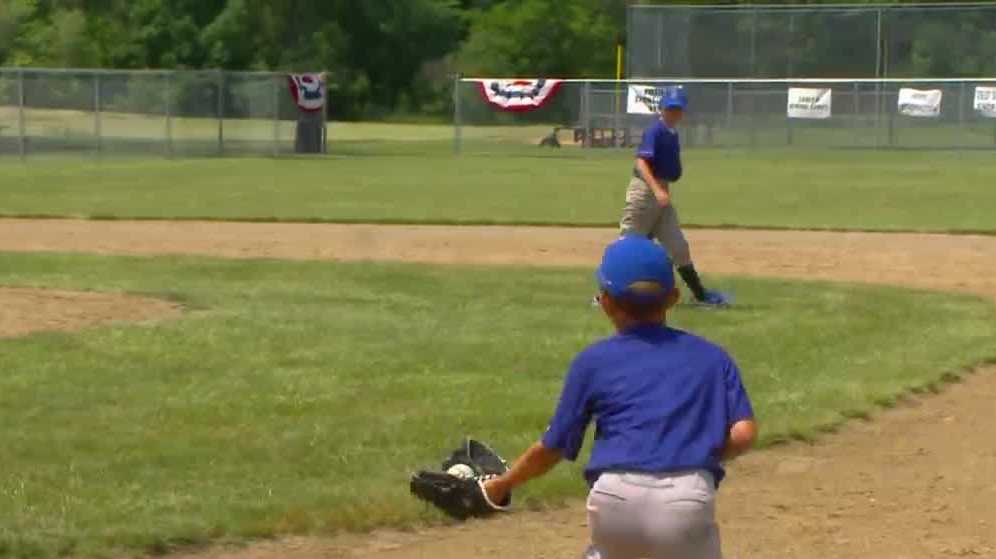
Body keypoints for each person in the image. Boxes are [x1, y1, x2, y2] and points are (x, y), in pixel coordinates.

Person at [484, 234, 758, 559]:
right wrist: (700, 452)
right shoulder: (712, 356)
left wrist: (500, 485)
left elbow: (552, 447)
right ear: (673, 298)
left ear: (605, 301)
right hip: (687, 498)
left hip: (615, 499)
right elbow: (744, 433)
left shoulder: (592, 361)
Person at [621, 85, 730, 307]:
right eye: (670, 108)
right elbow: (641, 162)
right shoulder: (656, 131)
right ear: (662, 108)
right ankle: (605, 296)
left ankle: (700, 295)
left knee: (678, 246)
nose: (673, 112)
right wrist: (657, 190)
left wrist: (662, 191)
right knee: (628, 247)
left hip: (661, 194)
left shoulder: (672, 133)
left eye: (677, 109)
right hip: (644, 192)